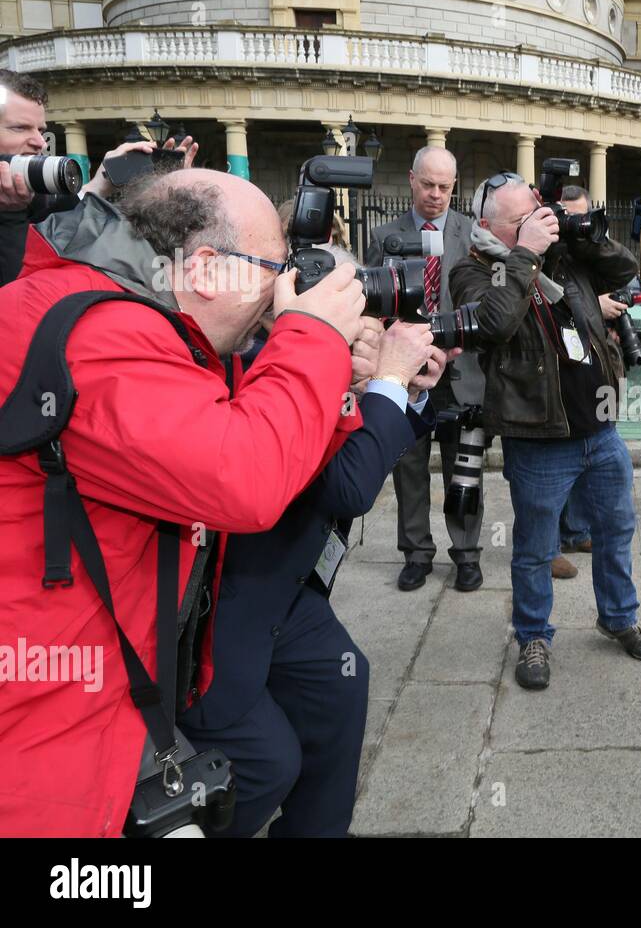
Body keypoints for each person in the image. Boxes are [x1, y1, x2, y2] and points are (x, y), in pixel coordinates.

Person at [0, 167, 366, 836]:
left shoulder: (133, 315)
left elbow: (245, 429)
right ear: (205, 269)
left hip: (93, 685)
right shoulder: (98, 333)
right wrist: (313, 339)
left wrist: (331, 375)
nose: (282, 293)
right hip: (40, 733)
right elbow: (244, 481)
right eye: (272, 270)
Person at [179, 311, 453, 838]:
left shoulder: (312, 356)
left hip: (287, 584)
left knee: (342, 680)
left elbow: (361, 442)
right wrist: (386, 380)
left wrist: (399, 392)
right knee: (264, 764)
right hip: (226, 598)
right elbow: (347, 486)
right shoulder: (258, 362)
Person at [449, 175, 641, 690]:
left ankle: (618, 618)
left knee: (616, 531)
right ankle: (533, 636)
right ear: (487, 227)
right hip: (539, 437)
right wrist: (525, 253)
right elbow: (496, 324)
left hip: (601, 428)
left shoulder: (563, 254)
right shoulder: (472, 271)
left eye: (536, 213)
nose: (536, 224)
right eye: (519, 220)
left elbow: (625, 269)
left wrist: (584, 233)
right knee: (536, 547)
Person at [365, 146, 484, 593]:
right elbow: (371, 304)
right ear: (412, 179)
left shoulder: (473, 235)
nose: (436, 194)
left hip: (462, 373)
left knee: (465, 469)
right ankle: (416, 554)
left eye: (446, 187)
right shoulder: (384, 236)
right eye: (428, 184)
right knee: (408, 467)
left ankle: (467, 554)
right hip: (408, 372)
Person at [0, 69, 198, 285]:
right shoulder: (15, 204)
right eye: (20, 128)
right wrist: (10, 215)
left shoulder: (30, 195)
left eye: (40, 130)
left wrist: (100, 184)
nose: (41, 142)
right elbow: (20, 296)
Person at [550, 184, 622, 579]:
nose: (576, 225)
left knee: (590, 450)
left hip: (597, 366)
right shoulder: (543, 253)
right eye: (568, 216)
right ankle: (547, 546)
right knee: (554, 466)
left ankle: (575, 530)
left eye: (582, 216)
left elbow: (623, 270)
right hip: (557, 379)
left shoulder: (587, 249)